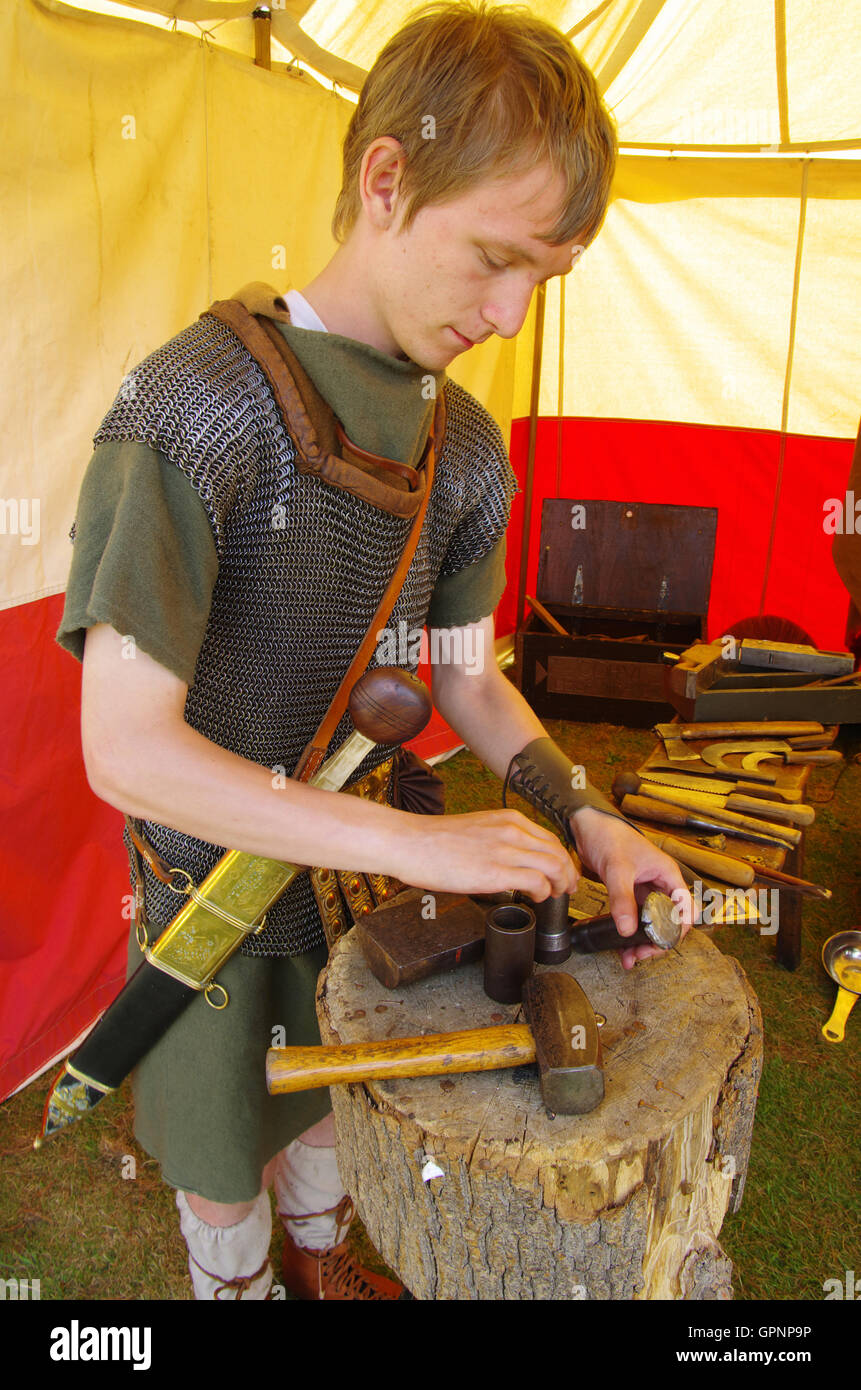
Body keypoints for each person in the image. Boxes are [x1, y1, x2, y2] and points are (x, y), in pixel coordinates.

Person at [57, 1, 691, 1300]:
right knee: (223, 1137)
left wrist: (587, 817)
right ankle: (231, 1286)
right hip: (209, 885)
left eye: (545, 281)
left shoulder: (463, 451)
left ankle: (319, 1252)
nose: (511, 316)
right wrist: (413, 840)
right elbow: (123, 747)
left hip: (343, 879)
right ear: (385, 180)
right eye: (494, 260)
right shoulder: (190, 406)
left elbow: (463, 672)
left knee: (332, 1092)